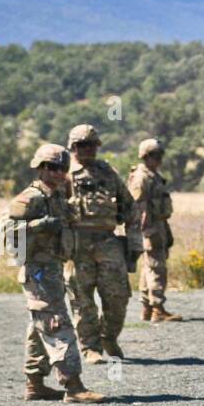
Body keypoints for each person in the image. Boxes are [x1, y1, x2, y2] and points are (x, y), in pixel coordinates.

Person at [7, 143, 105, 403]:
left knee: (40, 326)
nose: (57, 172)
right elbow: (9, 232)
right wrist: (40, 225)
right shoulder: (30, 198)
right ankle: (73, 385)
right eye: (51, 167)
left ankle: (34, 383)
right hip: (38, 271)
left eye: (62, 168)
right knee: (57, 323)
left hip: (53, 269)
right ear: (40, 168)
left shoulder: (58, 196)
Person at [65, 124, 139, 362]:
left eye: (92, 145)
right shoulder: (63, 174)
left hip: (108, 242)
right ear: (73, 147)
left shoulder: (108, 173)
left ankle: (109, 336)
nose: (87, 150)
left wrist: (134, 245)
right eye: (82, 145)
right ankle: (90, 347)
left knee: (118, 296)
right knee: (82, 299)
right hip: (77, 246)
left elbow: (129, 208)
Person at [128, 138, 182, 322]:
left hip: (158, 224)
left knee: (149, 267)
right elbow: (139, 207)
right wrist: (146, 231)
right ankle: (157, 308)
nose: (159, 159)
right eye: (155, 156)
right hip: (150, 227)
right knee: (157, 267)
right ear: (145, 156)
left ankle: (148, 308)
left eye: (160, 155)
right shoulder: (142, 177)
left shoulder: (153, 175)